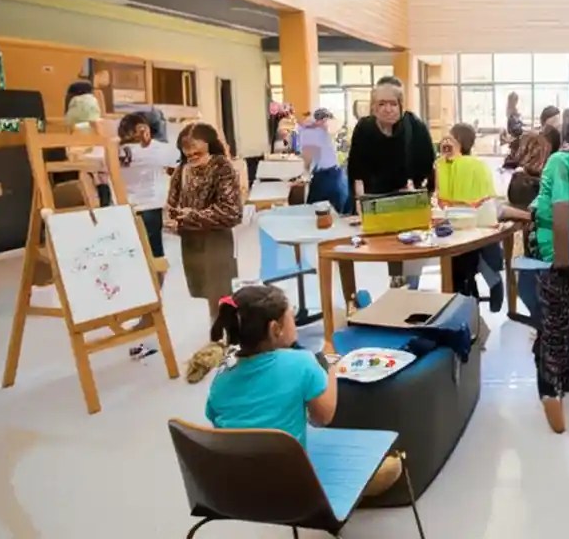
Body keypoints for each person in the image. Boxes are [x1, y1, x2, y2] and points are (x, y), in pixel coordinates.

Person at [205, 285, 402, 497]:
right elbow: (324, 416)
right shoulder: (301, 363)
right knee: (394, 467)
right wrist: (331, 367)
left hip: (236, 490)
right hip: (292, 487)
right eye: (292, 320)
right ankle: (348, 488)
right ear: (275, 329)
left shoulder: (221, 376)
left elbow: (218, 423)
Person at [529, 109, 569, 433]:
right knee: (562, 316)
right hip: (558, 248)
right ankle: (554, 382)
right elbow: (558, 205)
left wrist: (564, 257)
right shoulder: (566, 162)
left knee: (564, 316)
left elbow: (564, 207)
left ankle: (556, 379)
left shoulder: (562, 161)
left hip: (560, 249)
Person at [346, 80, 436, 289]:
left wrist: (420, 189)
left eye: (393, 104)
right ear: (373, 107)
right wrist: (360, 203)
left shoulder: (414, 125)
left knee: (411, 251)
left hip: (408, 196)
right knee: (388, 251)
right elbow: (357, 170)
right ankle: (396, 284)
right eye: (382, 104)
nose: (388, 109)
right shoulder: (364, 128)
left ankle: (410, 290)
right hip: (376, 200)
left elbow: (428, 163)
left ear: (401, 105)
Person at [167, 122, 242, 320]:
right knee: (204, 291)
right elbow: (172, 204)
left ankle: (226, 334)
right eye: (187, 154)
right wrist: (173, 219)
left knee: (221, 291)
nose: (192, 157)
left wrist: (193, 215)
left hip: (216, 238)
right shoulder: (182, 169)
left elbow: (232, 212)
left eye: (197, 153)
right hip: (190, 239)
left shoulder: (222, 167)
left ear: (209, 146)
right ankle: (219, 332)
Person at [436, 122, 504, 308]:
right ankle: (492, 282)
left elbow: (444, 199)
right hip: (483, 225)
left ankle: (464, 302)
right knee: (475, 257)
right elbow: (490, 196)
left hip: (458, 224)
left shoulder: (446, 165)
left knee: (459, 262)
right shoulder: (480, 165)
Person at [117, 112, 181, 268]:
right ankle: (156, 288)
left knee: (131, 256)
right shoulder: (157, 149)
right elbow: (178, 159)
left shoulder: (116, 151)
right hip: (151, 208)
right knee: (154, 256)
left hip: (124, 208)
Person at [297, 108, 348, 213]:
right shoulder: (323, 131)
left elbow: (308, 157)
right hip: (338, 175)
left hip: (325, 178)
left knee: (314, 214)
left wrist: (304, 174)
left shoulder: (308, 132)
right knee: (338, 215)